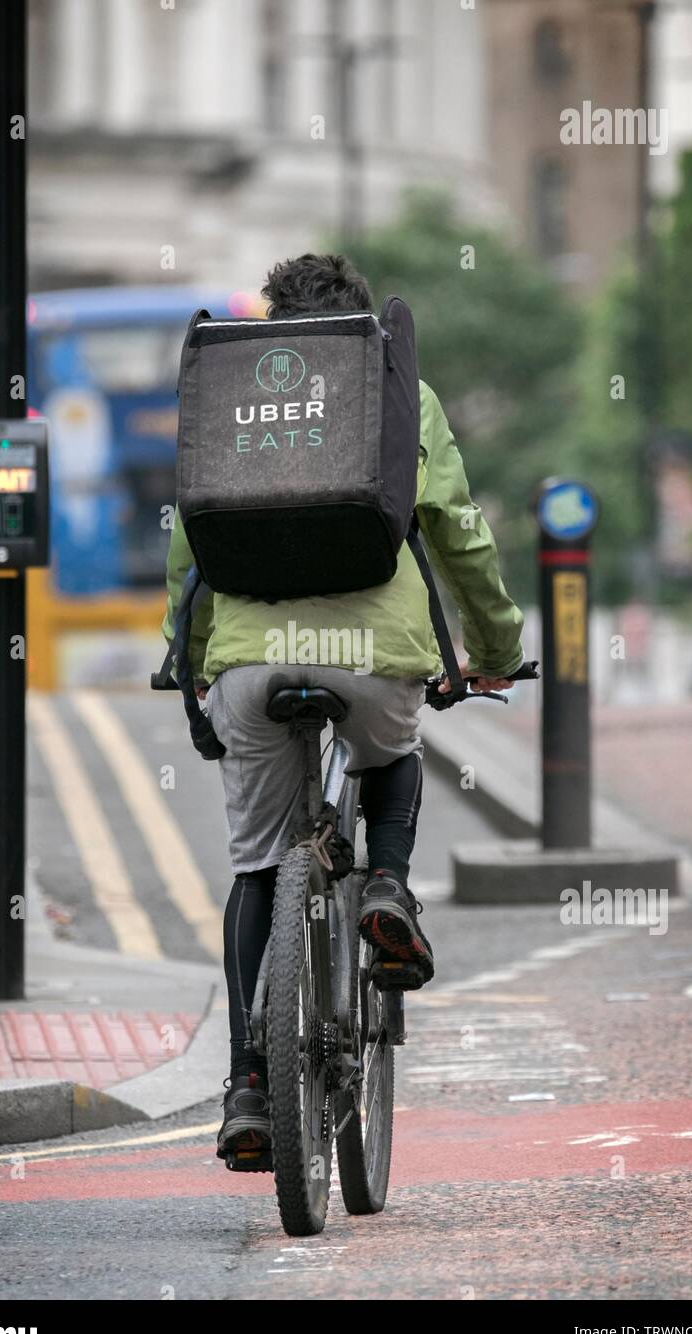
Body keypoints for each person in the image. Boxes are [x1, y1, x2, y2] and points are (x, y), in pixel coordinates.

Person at [162, 253, 524, 1164]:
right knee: (388, 758)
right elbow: (455, 528)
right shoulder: (401, 388)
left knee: (255, 868)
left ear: (278, 318)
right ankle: (391, 886)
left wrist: (194, 663)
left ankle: (250, 1084)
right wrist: (495, 649)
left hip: (249, 661)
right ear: (359, 320)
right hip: (374, 656)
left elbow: (188, 536)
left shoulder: (233, 389)